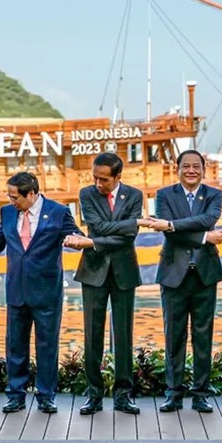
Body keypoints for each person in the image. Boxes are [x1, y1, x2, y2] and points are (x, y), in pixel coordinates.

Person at [0, 172, 83, 414]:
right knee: (15, 345)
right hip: (16, 289)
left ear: (31, 194)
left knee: (47, 345)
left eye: (15, 197)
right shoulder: (8, 212)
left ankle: (46, 395)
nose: (11, 202)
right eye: (9, 197)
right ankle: (16, 395)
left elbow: (76, 235)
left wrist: (75, 239)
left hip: (47, 290)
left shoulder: (59, 211)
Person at [142, 149, 222, 414]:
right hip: (173, 275)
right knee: (173, 336)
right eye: (186, 166)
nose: (191, 170)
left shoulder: (214, 195)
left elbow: (208, 219)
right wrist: (203, 237)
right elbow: (176, 237)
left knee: (203, 337)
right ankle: (173, 393)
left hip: (205, 275)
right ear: (177, 168)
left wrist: (171, 225)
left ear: (204, 169)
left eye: (196, 166)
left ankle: (201, 393)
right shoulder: (165, 195)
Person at [67, 153, 145, 415]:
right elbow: (97, 226)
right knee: (93, 334)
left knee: (124, 334)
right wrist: (120, 228)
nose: (99, 184)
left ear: (118, 177)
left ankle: (123, 395)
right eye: (96, 178)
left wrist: (95, 241)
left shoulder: (135, 195)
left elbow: (130, 236)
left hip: (124, 271)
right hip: (93, 271)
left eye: (105, 180)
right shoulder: (87, 194)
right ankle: (94, 395)